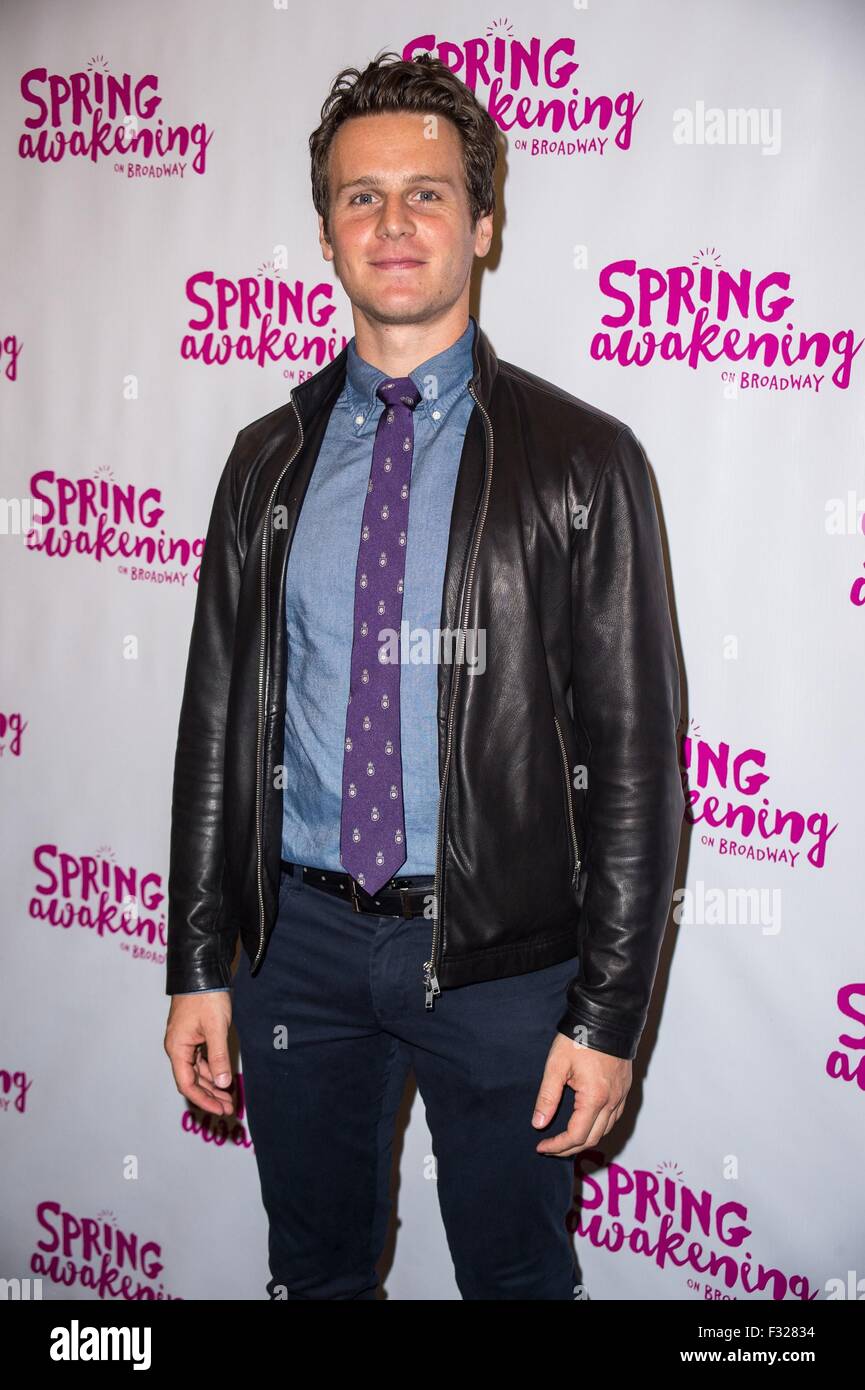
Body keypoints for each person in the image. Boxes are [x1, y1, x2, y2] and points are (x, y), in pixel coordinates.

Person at [163, 50, 685, 1301]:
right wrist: (196, 960)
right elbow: (216, 725)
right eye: (360, 196)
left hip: (506, 969)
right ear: (328, 234)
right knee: (318, 1270)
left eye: (429, 193)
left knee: (517, 1278)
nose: (393, 222)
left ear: (483, 221)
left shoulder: (585, 461)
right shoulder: (265, 463)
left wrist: (607, 1015)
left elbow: (635, 761)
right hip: (297, 951)